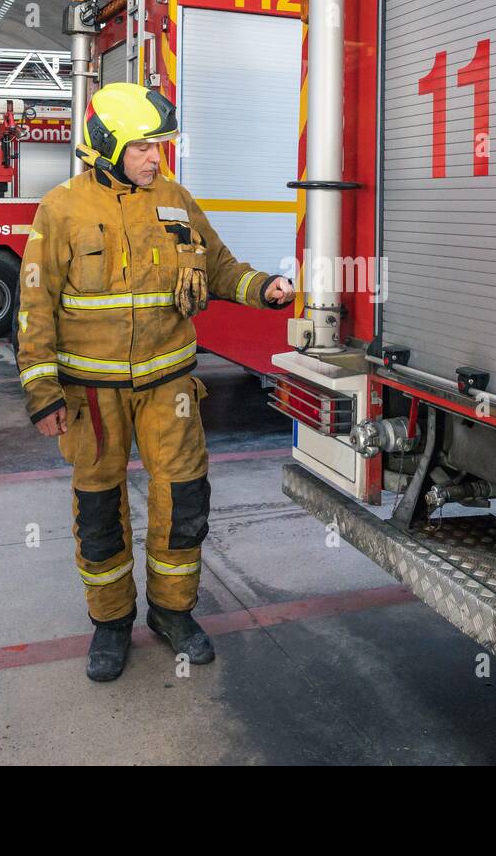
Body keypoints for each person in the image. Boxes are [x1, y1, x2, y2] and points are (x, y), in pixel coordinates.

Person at [16, 82, 295, 681]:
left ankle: (173, 615)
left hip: (171, 388)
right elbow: (34, 306)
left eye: (159, 147)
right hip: (90, 395)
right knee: (99, 510)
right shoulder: (60, 209)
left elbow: (219, 267)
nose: (155, 158)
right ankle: (111, 623)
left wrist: (264, 290)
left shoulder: (174, 199)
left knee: (183, 500)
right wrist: (42, 393)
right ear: (107, 146)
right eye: (143, 147)